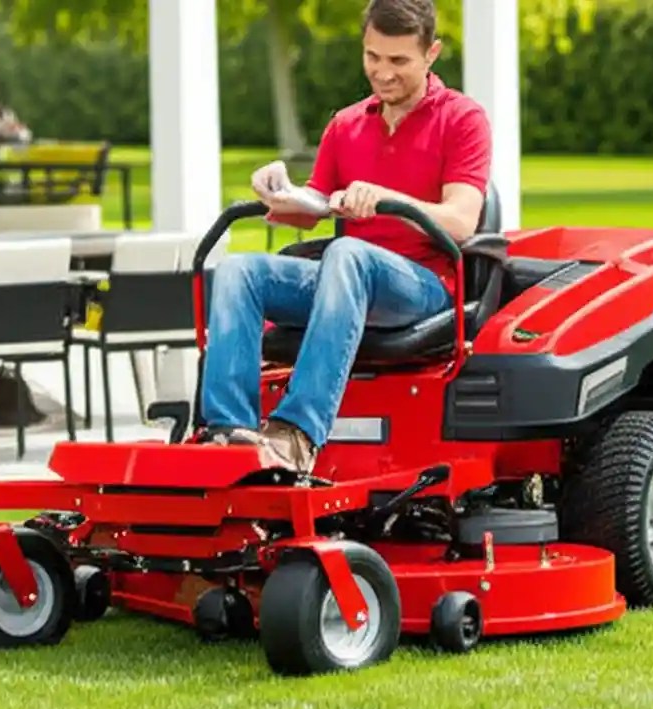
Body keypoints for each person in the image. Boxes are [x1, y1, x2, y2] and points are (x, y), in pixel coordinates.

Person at [199, 0, 492, 472]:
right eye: (373, 56)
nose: (383, 72)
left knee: (348, 253)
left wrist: (387, 199)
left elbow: (460, 222)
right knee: (240, 270)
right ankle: (228, 431)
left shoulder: (462, 119)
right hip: (344, 278)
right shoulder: (346, 125)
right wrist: (281, 193)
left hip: (423, 287)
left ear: (431, 53)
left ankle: (297, 433)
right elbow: (313, 207)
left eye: (398, 60)